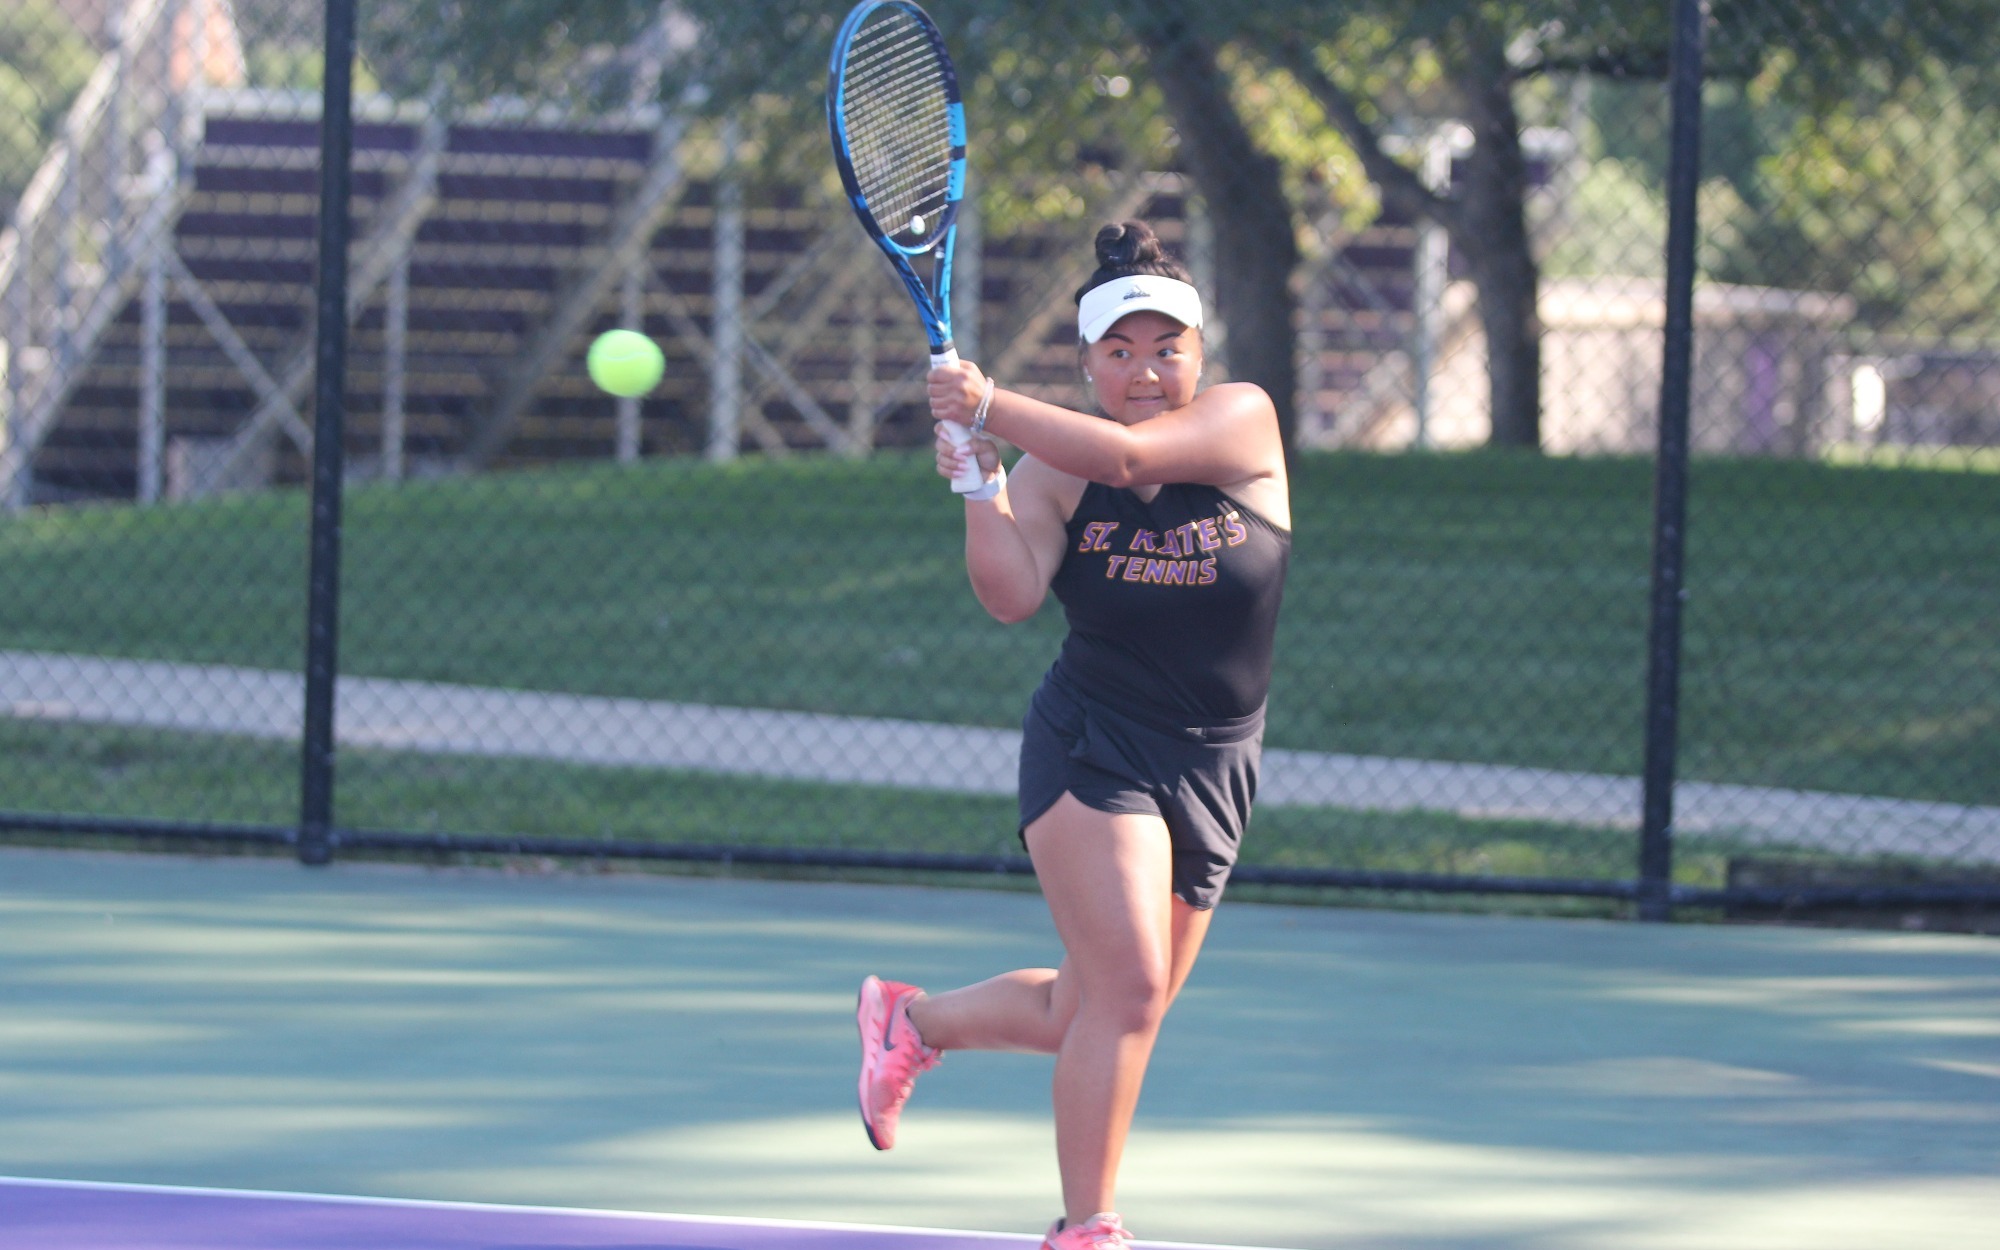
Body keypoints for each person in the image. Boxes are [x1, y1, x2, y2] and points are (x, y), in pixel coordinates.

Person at [855, 220, 1291, 1250]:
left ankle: (909, 1024)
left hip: (1217, 758)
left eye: (1165, 347)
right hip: (1092, 743)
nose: (1145, 371)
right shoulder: (1051, 473)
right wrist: (976, 476)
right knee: (1128, 988)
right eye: (1119, 352)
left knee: (1094, 1008)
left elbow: (1134, 452)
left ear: (1198, 351)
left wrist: (990, 406)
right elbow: (1008, 594)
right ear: (1087, 361)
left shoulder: (1240, 420)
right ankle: (1084, 1227)